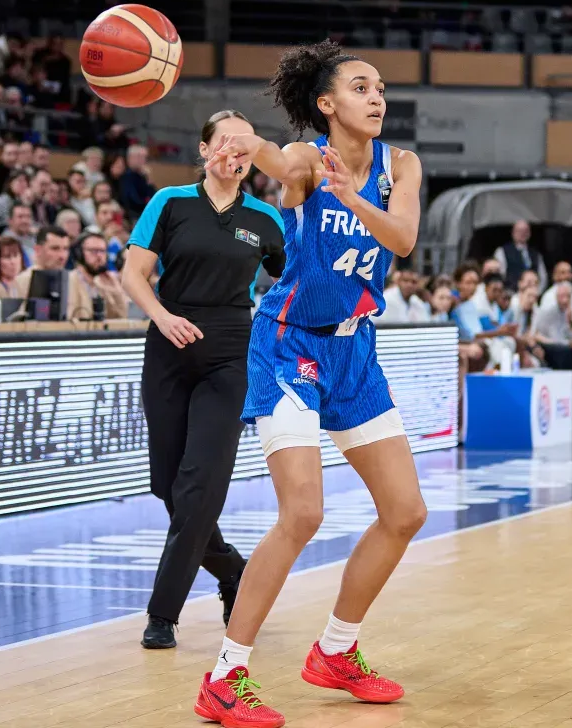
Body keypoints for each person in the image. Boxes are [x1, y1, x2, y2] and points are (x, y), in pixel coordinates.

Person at [201, 40, 426, 727]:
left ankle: (335, 651)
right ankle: (225, 675)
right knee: (302, 513)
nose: (377, 96)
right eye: (361, 87)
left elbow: (404, 240)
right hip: (288, 345)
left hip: (353, 350)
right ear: (327, 104)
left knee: (406, 512)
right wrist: (245, 140)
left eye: (380, 86)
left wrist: (354, 197)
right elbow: (276, 157)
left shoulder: (401, 164)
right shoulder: (305, 162)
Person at [121, 110, 285, 652]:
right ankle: (233, 569)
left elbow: (297, 279)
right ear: (204, 149)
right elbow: (133, 273)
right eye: (226, 146)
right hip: (168, 342)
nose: (235, 157)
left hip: (230, 353)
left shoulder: (265, 219)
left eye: (245, 149)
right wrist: (162, 317)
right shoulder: (168, 202)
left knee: (199, 486)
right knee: (166, 485)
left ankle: (162, 614)